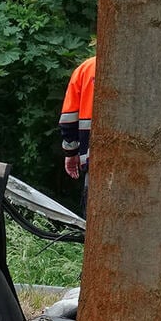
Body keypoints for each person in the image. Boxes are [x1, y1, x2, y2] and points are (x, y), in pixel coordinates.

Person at [59, 55, 96, 216]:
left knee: (94, 216)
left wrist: (71, 151)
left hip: (94, 158)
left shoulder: (86, 68)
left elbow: (68, 117)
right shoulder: (146, 65)